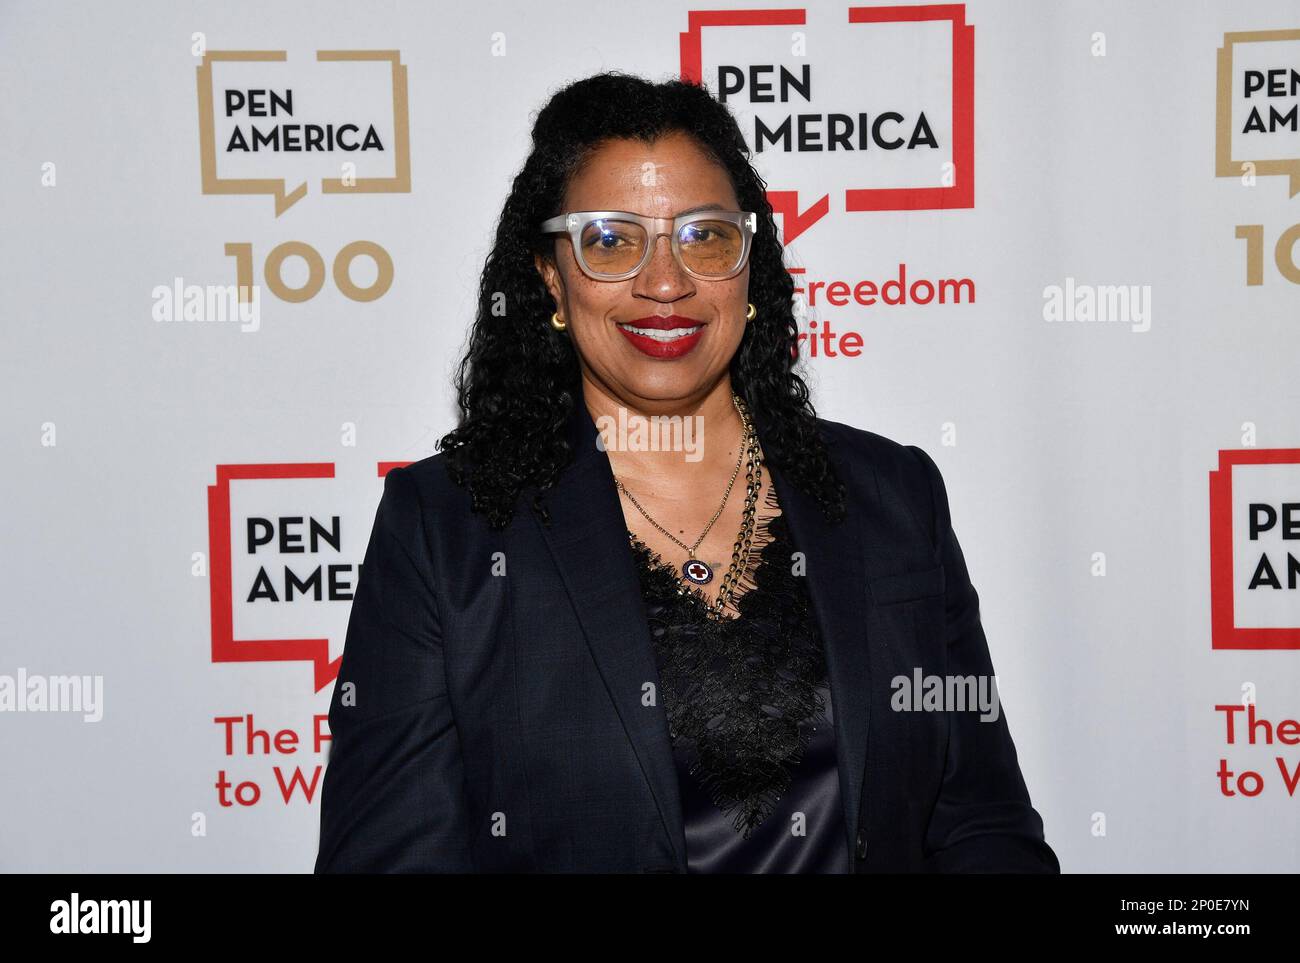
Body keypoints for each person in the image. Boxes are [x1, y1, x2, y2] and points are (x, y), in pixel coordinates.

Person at [314, 71, 1059, 873]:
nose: (665, 284)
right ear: (549, 277)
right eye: (609, 239)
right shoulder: (446, 529)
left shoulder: (893, 496)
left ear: (750, 264)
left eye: (704, 235)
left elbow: (982, 829)